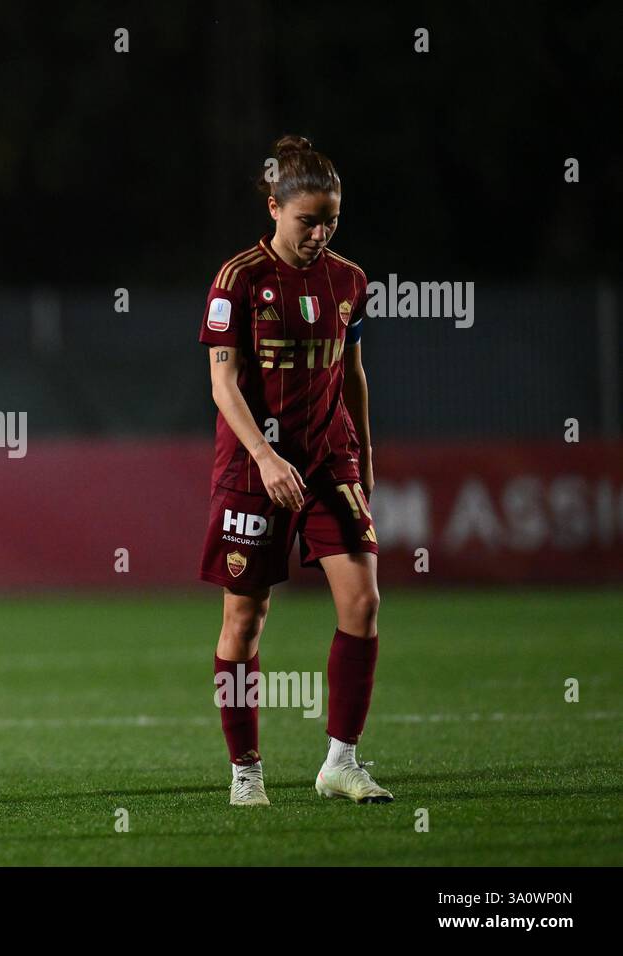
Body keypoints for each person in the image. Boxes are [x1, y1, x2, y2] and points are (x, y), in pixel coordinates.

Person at [197, 135, 390, 807]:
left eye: (331, 219)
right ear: (274, 207)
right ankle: (246, 772)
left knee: (363, 603)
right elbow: (223, 388)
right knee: (244, 622)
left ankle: (342, 762)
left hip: (327, 460)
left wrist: (362, 454)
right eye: (309, 219)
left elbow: (354, 374)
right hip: (255, 469)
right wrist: (265, 456)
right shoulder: (238, 279)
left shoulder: (350, 280)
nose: (320, 232)